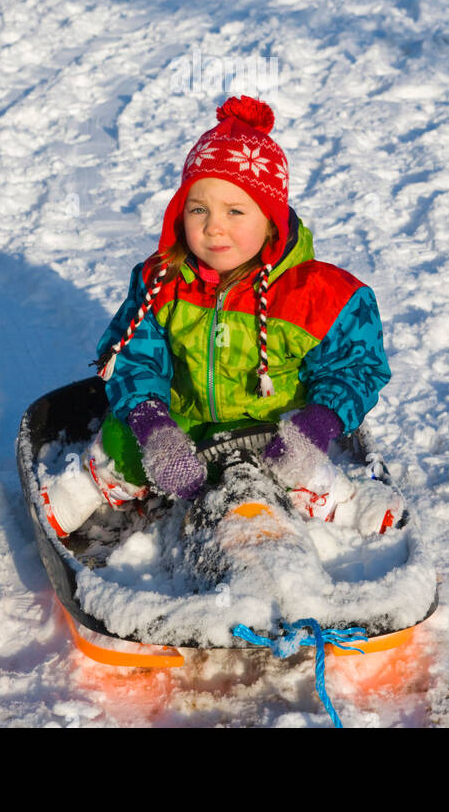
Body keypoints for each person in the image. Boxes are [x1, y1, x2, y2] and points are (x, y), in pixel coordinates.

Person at [41, 95, 390, 536]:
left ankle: (340, 500)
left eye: (235, 211)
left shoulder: (316, 294)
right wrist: (155, 427)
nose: (213, 227)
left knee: (302, 469)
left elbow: (356, 367)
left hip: (276, 423)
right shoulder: (162, 282)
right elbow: (132, 356)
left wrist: (317, 423)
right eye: (198, 209)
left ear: (271, 220)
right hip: (184, 417)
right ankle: (95, 483)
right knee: (121, 441)